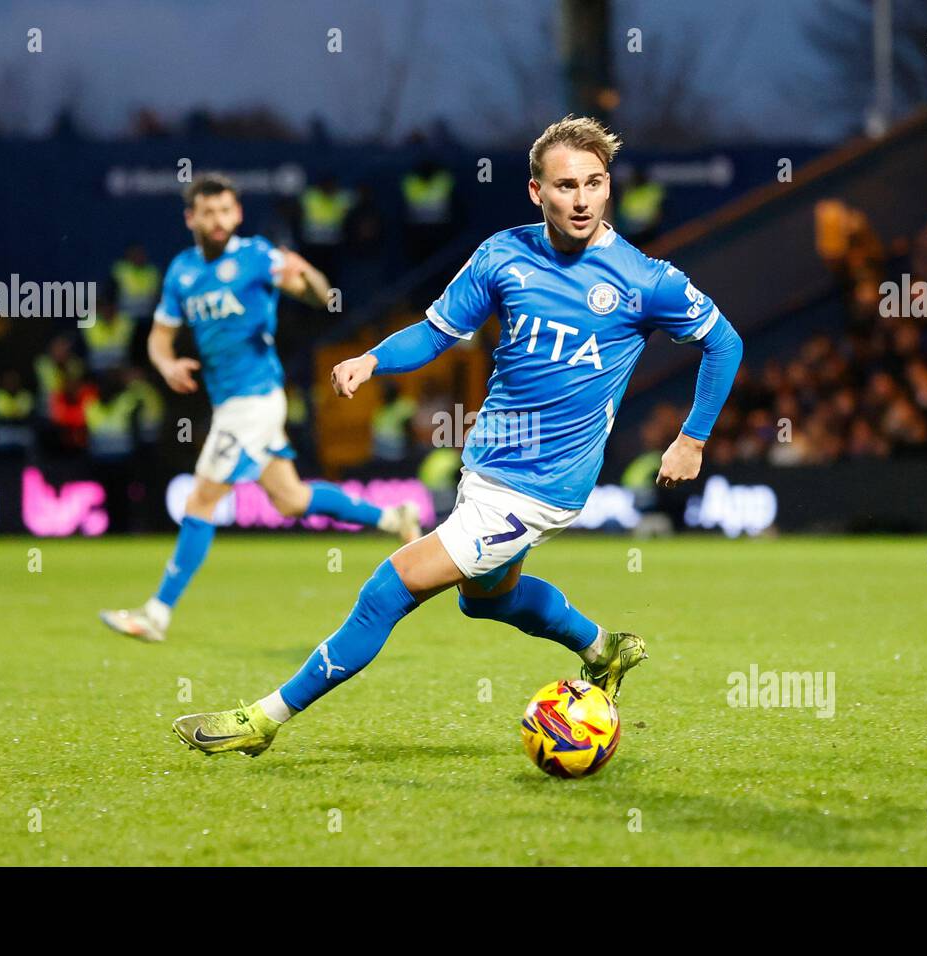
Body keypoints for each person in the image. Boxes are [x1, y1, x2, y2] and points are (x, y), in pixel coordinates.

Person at [171, 117, 743, 757]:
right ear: (536, 191)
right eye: (565, 186)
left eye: (594, 183)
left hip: (542, 485)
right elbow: (437, 331)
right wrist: (371, 361)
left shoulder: (645, 280)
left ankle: (262, 720)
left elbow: (725, 340)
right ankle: (603, 648)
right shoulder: (504, 254)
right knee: (487, 602)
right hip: (489, 466)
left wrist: (692, 438)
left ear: (609, 187)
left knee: (389, 588)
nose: (581, 200)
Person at [100, 173, 421, 644]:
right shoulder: (181, 272)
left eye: (226, 210)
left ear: (238, 214)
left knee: (200, 500)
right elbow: (159, 337)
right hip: (231, 401)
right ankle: (395, 518)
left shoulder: (256, 256)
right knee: (290, 500)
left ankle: (156, 613)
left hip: (255, 400)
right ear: (191, 218)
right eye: (208, 212)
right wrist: (166, 364)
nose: (218, 220)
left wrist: (307, 273)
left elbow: (319, 294)